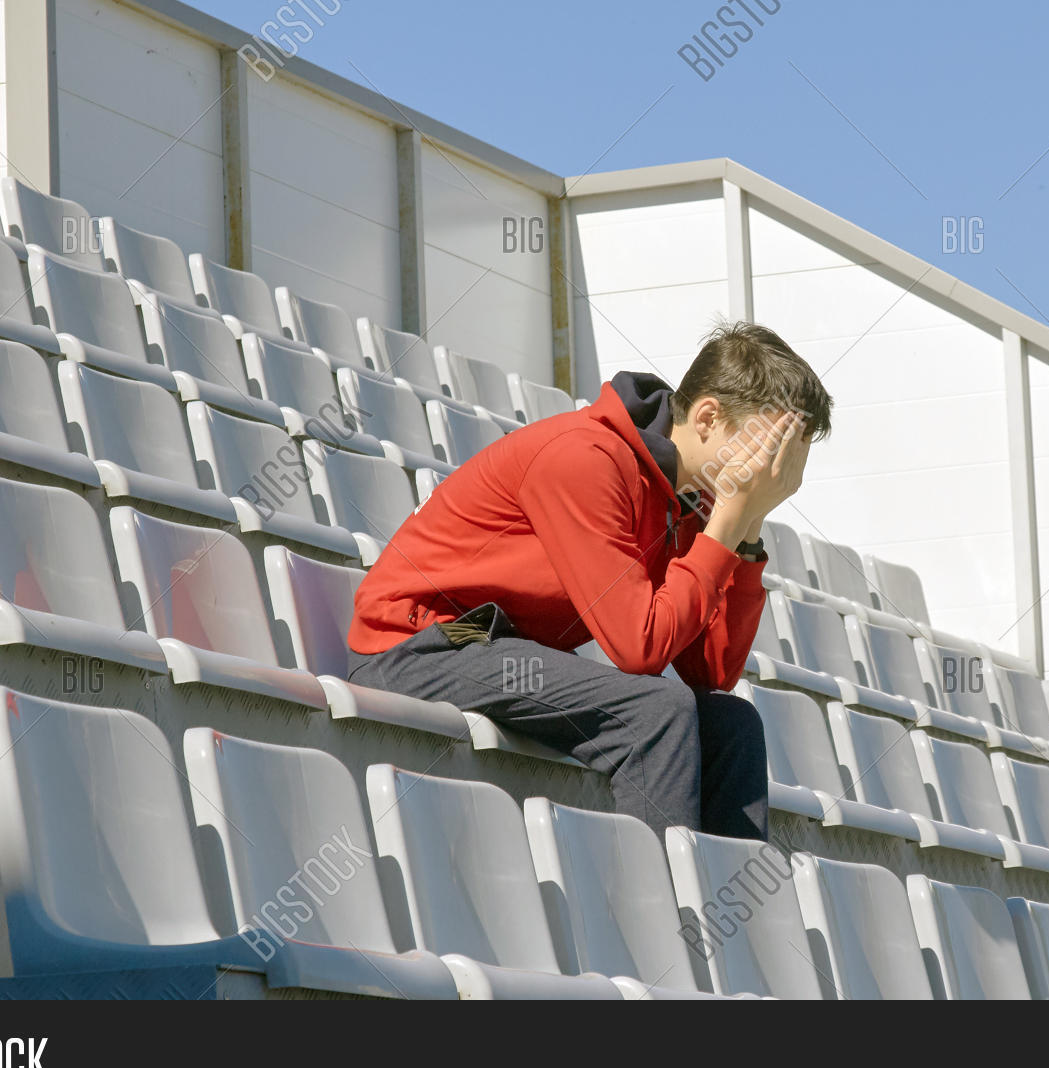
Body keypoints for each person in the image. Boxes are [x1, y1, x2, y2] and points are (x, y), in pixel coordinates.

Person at [344, 322, 833, 840]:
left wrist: (747, 531)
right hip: (428, 643)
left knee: (732, 727)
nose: (774, 475)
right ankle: (658, 912)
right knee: (655, 713)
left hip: (504, 646)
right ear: (709, 417)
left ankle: (722, 913)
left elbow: (708, 671)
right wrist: (731, 517)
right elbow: (639, 649)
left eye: (787, 461)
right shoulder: (584, 457)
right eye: (770, 454)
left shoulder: (689, 496)